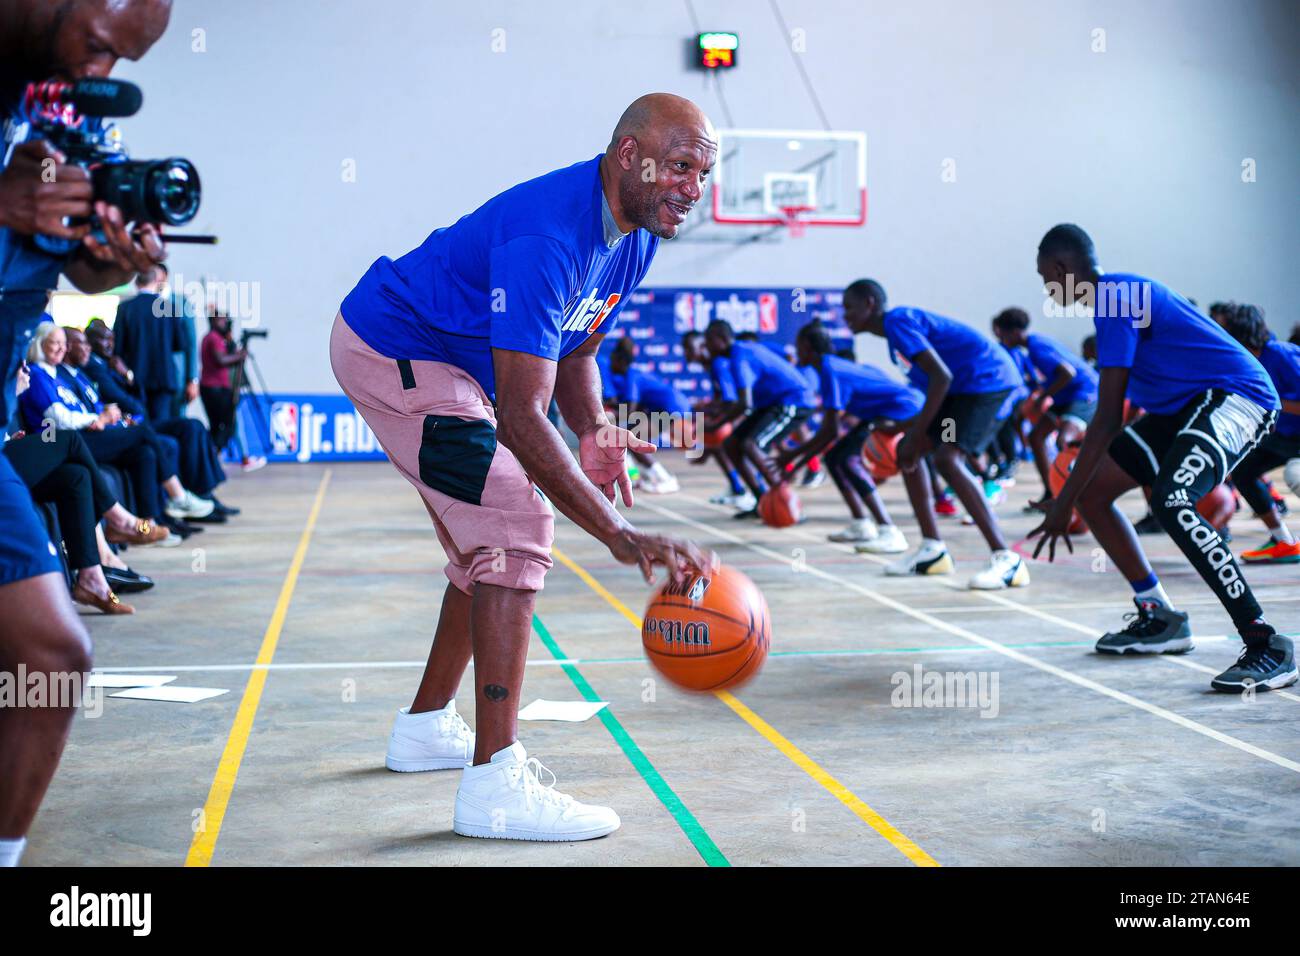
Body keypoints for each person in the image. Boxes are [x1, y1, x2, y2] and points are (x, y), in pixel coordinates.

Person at [332, 93, 716, 842]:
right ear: (628, 156)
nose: (692, 190)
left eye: (703, 174)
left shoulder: (633, 238)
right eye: (679, 166)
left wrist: (596, 427)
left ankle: (424, 729)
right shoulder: (550, 234)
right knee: (516, 519)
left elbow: (579, 347)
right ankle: (496, 787)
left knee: (489, 539)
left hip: (448, 364)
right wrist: (623, 536)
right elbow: (519, 415)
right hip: (395, 350)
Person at [0, 0, 174, 869]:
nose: (102, 74)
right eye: (101, 46)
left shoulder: (60, 105)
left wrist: (104, 259)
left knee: (53, 656)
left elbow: (66, 254)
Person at [1030, 224, 1293, 692]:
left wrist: (1060, 501)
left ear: (1060, 268)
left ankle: (1266, 644)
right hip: (1182, 408)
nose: (1046, 286)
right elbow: (1119, 406)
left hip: (1237, 395)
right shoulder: (1110, 305)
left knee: (1172, 501)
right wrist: (1074, 496)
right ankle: (1160, 616)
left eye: (1044, 277)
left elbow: (1107, 417)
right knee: (1095, 496)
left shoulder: (1116, 295)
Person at [843, 279, 1030, 589]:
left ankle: (1007, 559)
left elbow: (941, 378)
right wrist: (905, 431)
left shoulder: (898, 321)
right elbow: (935, 390)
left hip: (987, 382)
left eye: (849, 307)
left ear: (870, 304)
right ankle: (933, 551)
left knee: (947, 459)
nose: (845, 315)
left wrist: (916, 433)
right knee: (909, 453)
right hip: (962, 390)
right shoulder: (895, 338)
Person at [20, 323, 213, 527]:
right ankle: (178, 495)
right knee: (144, 433)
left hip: (86, 434)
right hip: (70, 443)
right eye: (55, 343)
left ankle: (148, 527)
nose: (62, 348)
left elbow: (81, 410)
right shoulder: (37, 375)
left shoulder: (57, 376)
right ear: (40, 345)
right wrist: (98, 419)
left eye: (63, 343)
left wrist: (110, 417)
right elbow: (60, 418)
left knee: (144, 453)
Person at [778, 321, 922, 552]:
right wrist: (795, 461)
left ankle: (889, 531)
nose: (796, 352)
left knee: (847, 458)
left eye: (798, 346)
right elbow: (831, 432)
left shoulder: (830, 370)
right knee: (835, 457)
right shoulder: (827, 368)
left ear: (806, 346)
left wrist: (794, 460)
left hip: (901, 408)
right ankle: (862, 524)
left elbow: (829, 431)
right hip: (882, 410)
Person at [69, 325, 232, 520]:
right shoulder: (92, 366)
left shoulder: (111, 363)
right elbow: (117, 397)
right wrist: (131, 411)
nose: (110, 344)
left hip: (138, 420)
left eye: (112, 339)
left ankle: (204, 495)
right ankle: (174, 506)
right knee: (164, 442)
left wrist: (127, 374)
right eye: (103, 340)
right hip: (130, 423)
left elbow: (137, 394)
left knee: (193, 426)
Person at [702, 319, 817, 518]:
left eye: (708, 341)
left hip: (793, 400)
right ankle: (763, 501)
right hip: (772, 403)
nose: (706, 347)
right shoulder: (738, 353)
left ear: (720, 339)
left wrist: (716, 425)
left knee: (751, 444)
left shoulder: (739, 357)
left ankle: (789, 504)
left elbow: (743, 404)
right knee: (732, 444)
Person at [1213, 304, 1300, 564]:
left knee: (1294, 476)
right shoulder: (1246, 362)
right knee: (1243, 471)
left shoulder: (1282, 355)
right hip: (1284, 437)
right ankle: (1283, 540)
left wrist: (1273, 402)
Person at [992, 307, 1100, 509]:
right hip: (1064, 396)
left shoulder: (1037, 347)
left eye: (1003, 334)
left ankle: (1078, 496)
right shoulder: (1031, 349)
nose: (1001, 339)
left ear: (1014, 332)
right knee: (1036, 437)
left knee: (1064, 440)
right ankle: (1052, 492)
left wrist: (1043, 396)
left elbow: (1067, 373)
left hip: (1084, 392)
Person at [113, 265, 196, 422]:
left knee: (138, 424)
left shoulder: (125, 308)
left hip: (134, 379)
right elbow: (180, 344)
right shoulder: (169, 308)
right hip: (163, 379)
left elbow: (118, 347)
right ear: (155, 282)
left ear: (136, 282)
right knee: (161, 425)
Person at [606, 344, 693, 494]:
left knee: (630, 439)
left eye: (613, 361)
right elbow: (634, 407)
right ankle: (635, 477)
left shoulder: (632, 376)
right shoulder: (635, 374)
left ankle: (664, 479)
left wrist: (605, 414)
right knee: (626, 438)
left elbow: (629, 410)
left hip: (671, 408)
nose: (610, 366)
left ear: (620, 361)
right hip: (670, 406)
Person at [681, 330, 752, 508]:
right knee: (717, 443)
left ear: (703, 346)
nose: (687, 354)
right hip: (741, 407)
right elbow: (723, 398)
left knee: (729, 445)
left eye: (690, 348)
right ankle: (739, 488)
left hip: (747, 408)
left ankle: (751, 492)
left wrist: (706, 410)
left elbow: (730, 400)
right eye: (685, 349)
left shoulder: (718, 364)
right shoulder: (713, 365)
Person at [199, 310, 246, 454]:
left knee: (218, 426)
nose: (225, 323)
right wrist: (239, 356)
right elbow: (222, 360)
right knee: (225, 425)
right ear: (213, 321)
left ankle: (213, 455)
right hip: (216, 389)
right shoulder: (214, 338)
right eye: (222, 320)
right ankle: (214, 453)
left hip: (211, 387)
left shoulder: (210, 337)